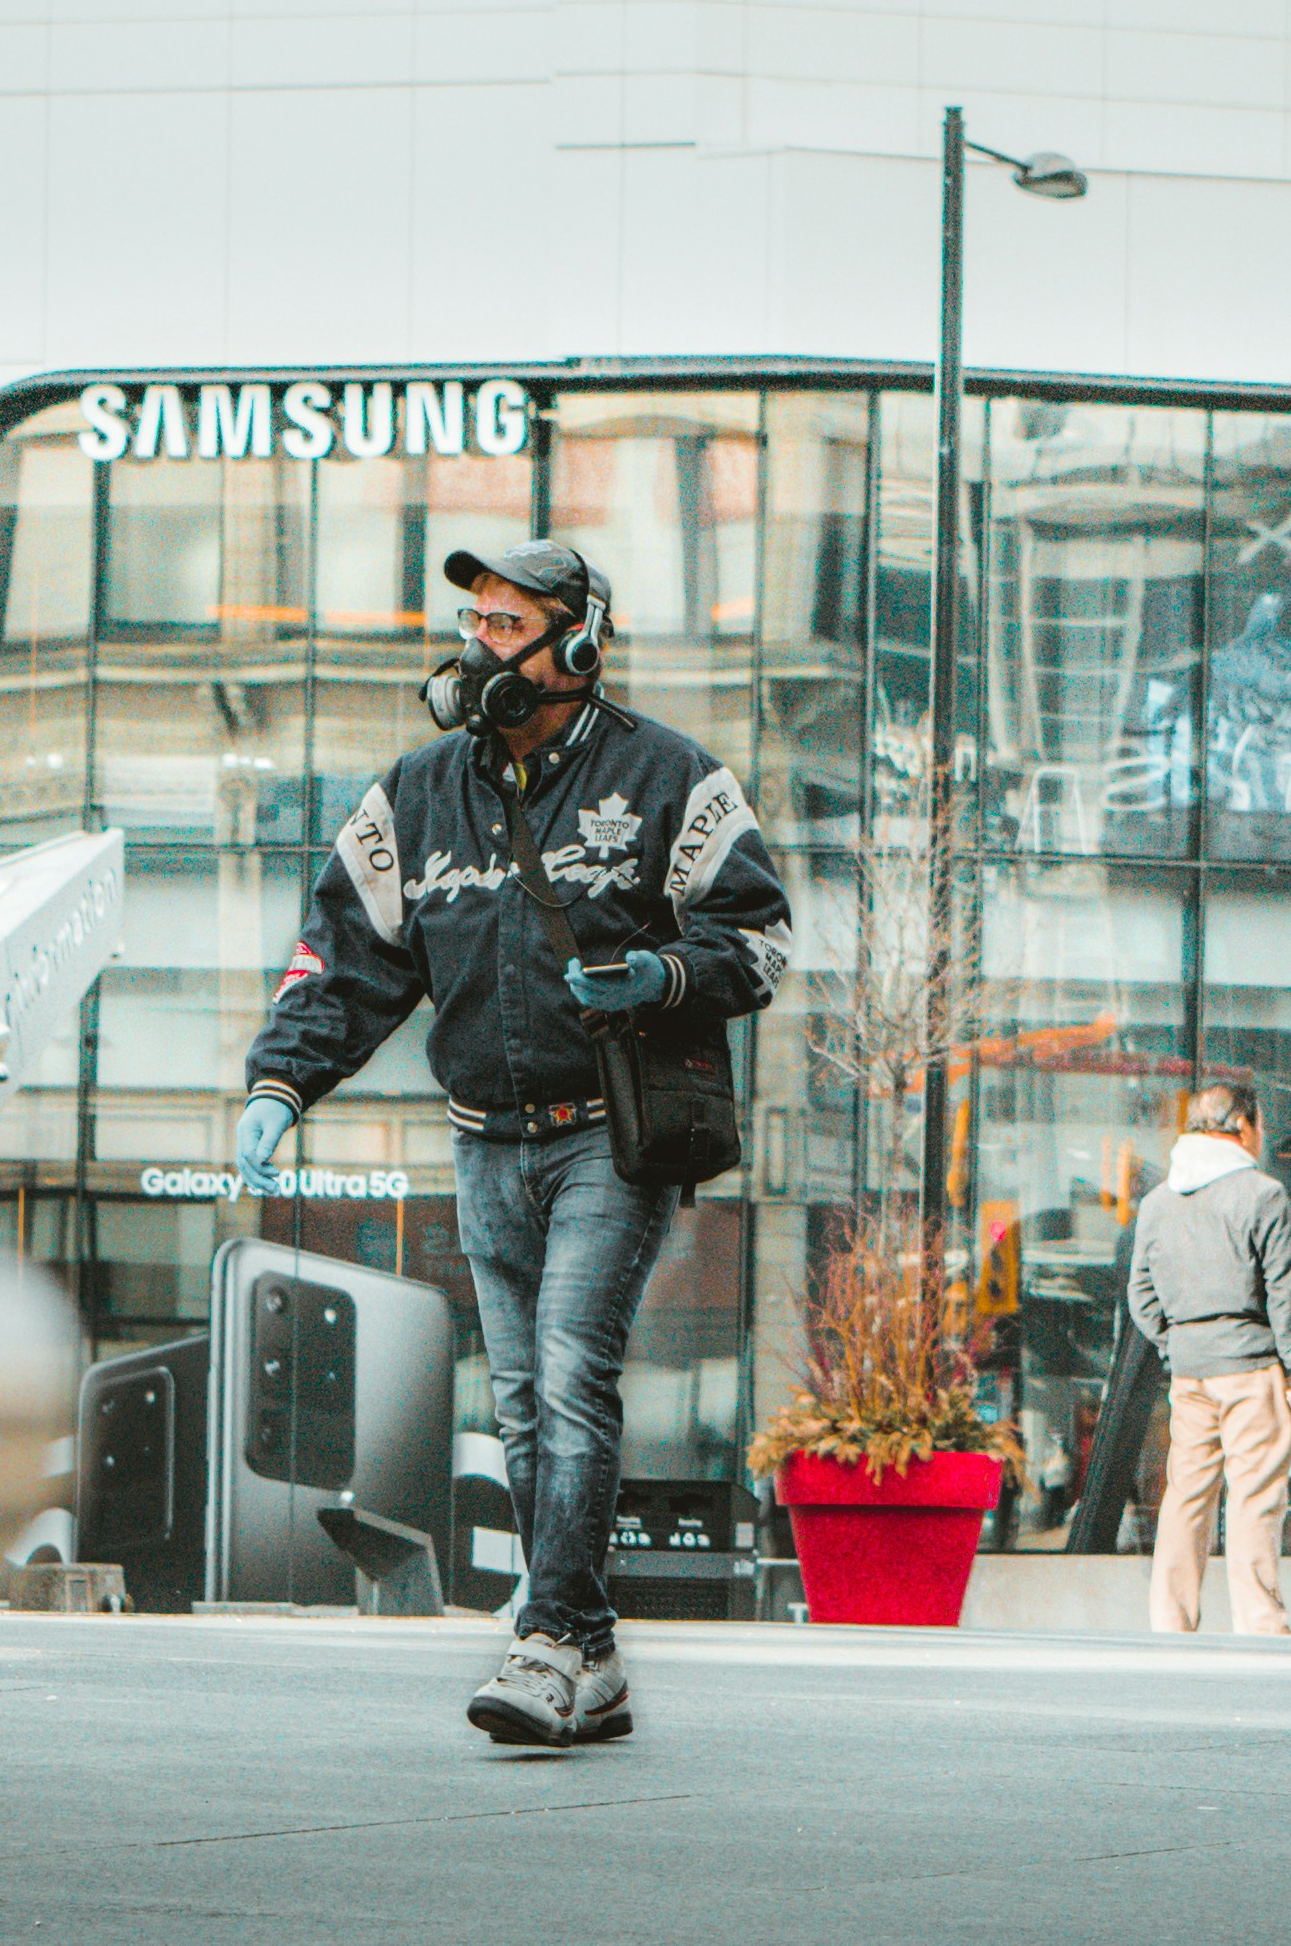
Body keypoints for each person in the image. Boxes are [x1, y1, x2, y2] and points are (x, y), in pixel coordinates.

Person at [234, 537, 791, 1749]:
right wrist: (280, 1082)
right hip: (482, 1139)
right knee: (529, 1405)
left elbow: (761, 940)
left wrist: (663, 972)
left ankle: (540, 1644)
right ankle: (588, 1655)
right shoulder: (414, 794)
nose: (479, 644)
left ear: (578, 643)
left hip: (608, 1137)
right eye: (475, 622)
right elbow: (343, 958)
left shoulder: (672, 780)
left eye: (506, 625)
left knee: (570, 1375)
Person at [1126, 1080, 1291, 1636]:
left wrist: (1176, 1342)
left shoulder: (1158, 1202)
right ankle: (1259, 1623)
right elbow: (1285, 1290)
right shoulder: (1262, 1195)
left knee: (1186, 1497)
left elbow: (1141, 1294)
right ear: (1240, 1127)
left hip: (1190, 1372)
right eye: (1260, 1125)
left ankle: (1171, 1620)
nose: (1263, 1137)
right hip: (1251, 1367)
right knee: (1255, 1497)